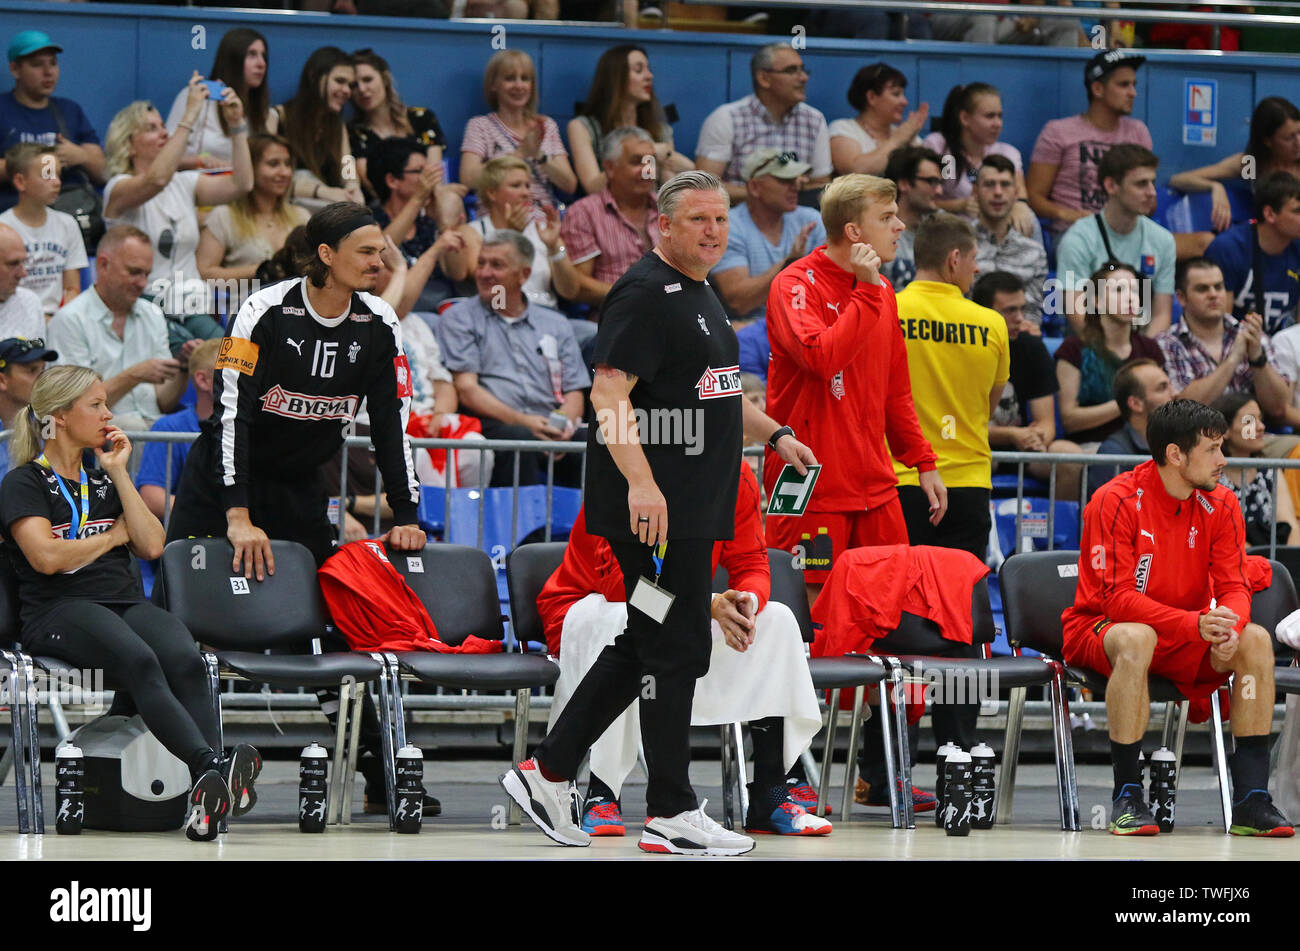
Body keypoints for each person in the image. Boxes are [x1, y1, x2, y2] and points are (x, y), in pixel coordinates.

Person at [501, 170, 817, 856]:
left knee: (650, 644)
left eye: (720, 221)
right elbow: (609, 398)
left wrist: (779, 435)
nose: (712, 230)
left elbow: (721, 396)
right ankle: (669, 807)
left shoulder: (702, 296)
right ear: (663, 226)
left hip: (695, 514)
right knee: (673, 647)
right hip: (651, 515)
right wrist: (643, 485)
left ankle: (549, 770)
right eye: (698, 219)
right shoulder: (644, 293)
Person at [164, 203, 428, 813]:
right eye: (367, 251)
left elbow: (394, 428)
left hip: (298, 489)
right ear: (327, 256)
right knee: (176, 622)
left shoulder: (381, 322)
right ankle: (157, 763)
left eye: (383, 249)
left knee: (334, 622)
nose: (381, 261)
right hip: (221, 483)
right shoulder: (259, 311)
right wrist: (236, 514)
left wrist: (407, 514)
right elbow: (230, 416)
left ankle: (378, 775)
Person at [0, 364, 261, 841]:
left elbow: (152, 544)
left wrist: (120, 473)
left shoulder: (103, 481)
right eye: (96, 405)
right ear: (58, 416)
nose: (109, 413)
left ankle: (207, 793)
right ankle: (211, 769)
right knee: (138, 658)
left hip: (121, 600)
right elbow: (46, 558)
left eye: (106, 403)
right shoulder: (24, 483)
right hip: (57, 610)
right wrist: (108, 537)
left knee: (185, 657)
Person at [540, 467, 828, 836]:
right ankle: (602, 792)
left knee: (778, 619)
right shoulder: (632, 473)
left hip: (681, 603)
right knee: (628, 623)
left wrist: (746, 600)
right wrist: (705, 605)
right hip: (588, 603)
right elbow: (621, 587)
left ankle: (771, 791)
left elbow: (751, 561)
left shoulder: (732, 475)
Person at [1063, 399, 1293, 837]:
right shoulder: (1113, 500)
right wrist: (1195, 625)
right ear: (1175, 454)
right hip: (1100, 627)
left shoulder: (1222, 504)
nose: (1224, 461)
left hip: (1186, 630)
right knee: (1136, 638)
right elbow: (1116, 600)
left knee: (1257, 640)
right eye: (1212, 450)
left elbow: (1234, 586)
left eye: (1222, 446)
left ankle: (1251, 800)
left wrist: (1231, 624)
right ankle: (1128, 795)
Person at [764, 172, 944, 605]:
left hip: (875, 486)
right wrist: (865, 292)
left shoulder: (882, 290)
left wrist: (923, 460)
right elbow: (821, 358)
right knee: (808, 613)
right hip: (810, 481)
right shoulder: (794, 285)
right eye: (887, 217)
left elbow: (895, 390)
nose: (900, 226)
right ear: (853, 232)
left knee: (886, 605)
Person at [894, 212, 1007, 562]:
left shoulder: (887, 310)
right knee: (958, 606)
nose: (976, 269)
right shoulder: (991, 324)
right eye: (974, 259)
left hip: (901, 480)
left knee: (898, 601)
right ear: (954, 259)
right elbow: (989, 403)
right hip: (968, 482)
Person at [437, 231, 589, 487]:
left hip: (550, 423)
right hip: (495, 424)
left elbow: (574, 389)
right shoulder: (460, 318)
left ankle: (589, 528)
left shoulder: (555, 323)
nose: (484, 273)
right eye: (482, 263)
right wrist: (525, 422)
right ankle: (527, 528)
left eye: (496, 265)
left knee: (596, 439)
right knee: (520, 440)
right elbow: (466, 389)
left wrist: (564, 427)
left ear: (524, 275)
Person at [103, 77, 253, 319]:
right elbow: (156, 180)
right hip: (144, 309)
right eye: (152, 128)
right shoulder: (117, 188)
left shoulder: (183, 183)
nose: (164, 133)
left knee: (228, 354)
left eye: (163, 126)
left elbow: (242, 184)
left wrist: (236, 126)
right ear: (128, 145)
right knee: (206, 356)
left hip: (194, 306)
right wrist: (190, 115)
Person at [47, 226, 186, 433]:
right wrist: (134, 375)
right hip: (96, 433)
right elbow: (73, 407)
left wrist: (184, 367)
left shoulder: (152, 314)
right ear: (103, 265)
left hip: (153, 426)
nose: (142, 283)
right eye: (134, 272)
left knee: (190, 427)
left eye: (146, 274)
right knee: (135, 429)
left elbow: (163, 403)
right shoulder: (69, 320)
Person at [976, 271, 1082, 496]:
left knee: (1069, 457)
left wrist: (1037, 436)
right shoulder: (965, 348)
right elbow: (962, 427)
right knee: (979, 460)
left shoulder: (1031, 347)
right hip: (976, 445)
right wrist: (1012, 435)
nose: (1019, 318)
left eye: (1021, 309)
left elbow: (1047, 423)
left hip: (1023, 447)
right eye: (1010, 310)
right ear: (983, 312)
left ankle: (1061, 530)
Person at [1027, 50, 1153, 237]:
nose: (1133, 93)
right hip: (1074, 234)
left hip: (1126, 233)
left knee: (1201, 242)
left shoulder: (1138, 132)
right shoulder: (1058, 132)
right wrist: (1068, 214)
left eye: (1134, 85)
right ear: (1098, 89)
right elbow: (1033, 197)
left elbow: (1149, 199)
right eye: (1124, 85)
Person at [1157, 257, 1293, 426]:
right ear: (1182, 298)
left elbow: (1279, 408)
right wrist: (1232, 360)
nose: (1213, 294)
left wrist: (1258, 359)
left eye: (1218, 287)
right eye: (1202, 289)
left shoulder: (1253, 335)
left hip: (1250, 435)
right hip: (1195, 440)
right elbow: (1181, 411)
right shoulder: (1167, 343)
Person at [1055, 145, 1175, 335]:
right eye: (1141, 184)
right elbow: (1075, 312)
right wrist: (1112, 353)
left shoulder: (1163, 240)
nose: (1152, 192)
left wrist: (1142, 354)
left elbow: (1161, 315)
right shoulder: (1078, 239)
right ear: (1111, 186)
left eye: (1153, 182)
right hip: (1092, 347)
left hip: (1141, 349)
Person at [694, 44, 831, 204]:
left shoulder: (814, 119)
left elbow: (820, 183)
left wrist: (783, 191)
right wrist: (765, 192)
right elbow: (704, 188)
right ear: (764, 79)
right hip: (739, 218)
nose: (804, 78)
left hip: (796, 215)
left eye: (803, 69)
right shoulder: (726, 118)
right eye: (792, 70)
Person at [1056, 262, 1167, 447]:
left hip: (1144, 445)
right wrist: (1128, 402)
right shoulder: (1073, 348)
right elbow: (1070, 420)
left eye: (1134, 291)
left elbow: (1163, 404)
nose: (1130, 298)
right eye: (1119, 290)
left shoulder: (1150, 349)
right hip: (1090, 447)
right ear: (1097, 301)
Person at [710, 147, 824, 323]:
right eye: (785, 180)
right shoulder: (728, 227)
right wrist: (789, 265)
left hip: (808, 322)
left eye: (796, 179)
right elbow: (739, 302)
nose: (796, 186)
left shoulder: (811, 220)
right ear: (754, 187)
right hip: (754, 328)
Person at [0, 30, 105, 213]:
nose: (48, 72)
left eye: (53, 63)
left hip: (68, 212)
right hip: (11, 214)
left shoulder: (70, 110)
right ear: (15, 69)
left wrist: (82, 156)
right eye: (37, 65)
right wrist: (36, 165)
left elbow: (103, 173)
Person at [459, 155, 581, 311]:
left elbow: (570, 292)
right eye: (516, 186)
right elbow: (495, 297)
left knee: (590, 332)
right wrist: (510, 235)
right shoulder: (473, 232)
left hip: (546, 315)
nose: (526, 193)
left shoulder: (543, 230)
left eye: (528, 186)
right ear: (492, 193)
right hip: (499, 316)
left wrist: (554, 247)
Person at [568, 44, 692, 196]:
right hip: (604, 212)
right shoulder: (582, 127)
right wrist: (647, 153)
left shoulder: (660, 128)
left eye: (648, 69)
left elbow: (659, 188)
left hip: (649, 210)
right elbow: (592, 187)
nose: (649, 76)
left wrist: (689, 170)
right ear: (615, 77)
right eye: (639, 70)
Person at [459, 50, 576, 207]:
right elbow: (468, 178)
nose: (519, 85)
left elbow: (569, 185)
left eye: (525, 79)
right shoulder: (480, 126)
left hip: (544, 220)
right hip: (501, 218)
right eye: (510, 78)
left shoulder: (547, 125)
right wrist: (520, 154)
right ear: (494, 84)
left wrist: (539, 156)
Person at [560, 127, 660, 308]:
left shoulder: (671, 209)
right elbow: (578, 285)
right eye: (637, 162)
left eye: (651, 162)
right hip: (617, 318)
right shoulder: (584, 213)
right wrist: (633, 296)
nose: (647, 170)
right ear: (610, 167)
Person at [196, 133, 309, 293]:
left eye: (287, 164)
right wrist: (262, 270)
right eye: (273, 164)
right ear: (249, 168)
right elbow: (204, 274)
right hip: (246, 310)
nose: (284, 172)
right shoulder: (224, 216)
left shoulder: (302, 216)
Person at [368, 138, 471, 312]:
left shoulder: (428, 220)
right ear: (392, 180)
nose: (429, 178)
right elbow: (381, 252)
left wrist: (446, 225)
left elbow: (458, 273)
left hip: (441, 309)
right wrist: (418, 199)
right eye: (420, 172)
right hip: (399, 311)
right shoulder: (370, 220)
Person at [1169, 97, 1300, 234]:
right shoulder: (1251, 164)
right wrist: (1215, 187)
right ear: (1267, 141)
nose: (1298, 142)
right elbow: (1178, 180)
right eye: (1289, 138)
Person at [924, 82, 1036, 235]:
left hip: (991, 226)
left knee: (1029, 218)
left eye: (1000, 116)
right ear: (964, 118)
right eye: (990, 116)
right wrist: (958, 205)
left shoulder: (1007, 152)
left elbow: (1020, 192)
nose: (997, 123)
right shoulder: (940, 147)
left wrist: (1020, 205)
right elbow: (921, 201)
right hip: (948, 228)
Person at [164, 28, 275, 170]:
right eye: (252, 55)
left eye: (263, 56)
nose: (262, 64)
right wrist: (199, 161)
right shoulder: (197, 96)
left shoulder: (267, 114)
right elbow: (164, 157)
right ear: (233, 59)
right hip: (197, 182)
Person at [1204, 171, 1300, 336]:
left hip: (1278, 349)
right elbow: (1220, 328)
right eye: (1297, 211)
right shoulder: (1228, 249)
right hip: (1234, 345)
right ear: (1270, 214)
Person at [348, 48, 450, 202]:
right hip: (381, 208)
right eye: (354, 85)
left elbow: (433, 173)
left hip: (427, 200)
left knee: (449, 198)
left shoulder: (422, 118)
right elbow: (370, 182)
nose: (362, 89)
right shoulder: (352, 133)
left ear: (385, 78)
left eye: (368, 79)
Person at [135, 337, 219, 522]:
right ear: (203, 380)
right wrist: (214, 515)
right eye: (233, 373)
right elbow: (151, 497)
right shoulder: (169, 427)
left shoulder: (255, 424)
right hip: (191, 539)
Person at [0, 143, 86, 315]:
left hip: (59, 319)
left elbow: (72, 288)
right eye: (48, 175)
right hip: (13, 317)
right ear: (20, 181)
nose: (57, 182)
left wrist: (61, 321)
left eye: (59, 175)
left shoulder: (68, 224)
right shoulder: (3, 228)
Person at [275, 47, 365, 209]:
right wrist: (321, 191)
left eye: (350, 85)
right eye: (339, 81)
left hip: (326, 212)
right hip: (287, 209)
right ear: (314, 77)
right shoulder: (278, 117)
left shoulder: (337, 125)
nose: (346, 91)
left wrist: (353, 187)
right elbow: (266, 177)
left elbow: (347, 163)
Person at [1212, 390, 1300, 545]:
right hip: (1231, 562)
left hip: (1271, 563)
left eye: (1260, 419)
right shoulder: (1210, 476)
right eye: (1249, 421)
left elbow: (1290, 526)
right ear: (1224, 430)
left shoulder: (1271, 471)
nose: (1261, 427)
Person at [973, 156, 1049, 325]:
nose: (998, 192)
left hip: (1017, 337)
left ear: (1016, 192)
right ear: (975, 192)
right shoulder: (960, 245)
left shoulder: (1034, 252)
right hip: (970, 337)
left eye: (1005, 184)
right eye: (989, 184)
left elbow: (1033, 312)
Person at [1086, 358, 1175, 498]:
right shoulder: (1114, 454)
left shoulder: (1181, 444)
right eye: (1162, 388)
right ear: (1135, 403)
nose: (1174, 393)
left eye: (1170, 385)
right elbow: (1104, 515)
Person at [828, 62, 926, 178]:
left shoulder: (905, 134)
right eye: (896, 94)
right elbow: (854, 171)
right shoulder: (843, 128)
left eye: (903, 95)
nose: (905, 102)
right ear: (871, 97)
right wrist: (897, 140)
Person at [881, 145, 944, 291]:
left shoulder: (943, 231)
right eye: (932, 182)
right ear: (904, 184)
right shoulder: (877, 233)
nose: (940, 191)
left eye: (940, 183)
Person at [0, 335, 54, 476]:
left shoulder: (50, 424)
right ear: (2, 380)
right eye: (32, 370)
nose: (43, 378)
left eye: (43, 369)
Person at [0, 222, 44, 340]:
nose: (23, 273)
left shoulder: (30, 302)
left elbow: (38, 357)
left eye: (24, 262)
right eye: (13, 264)